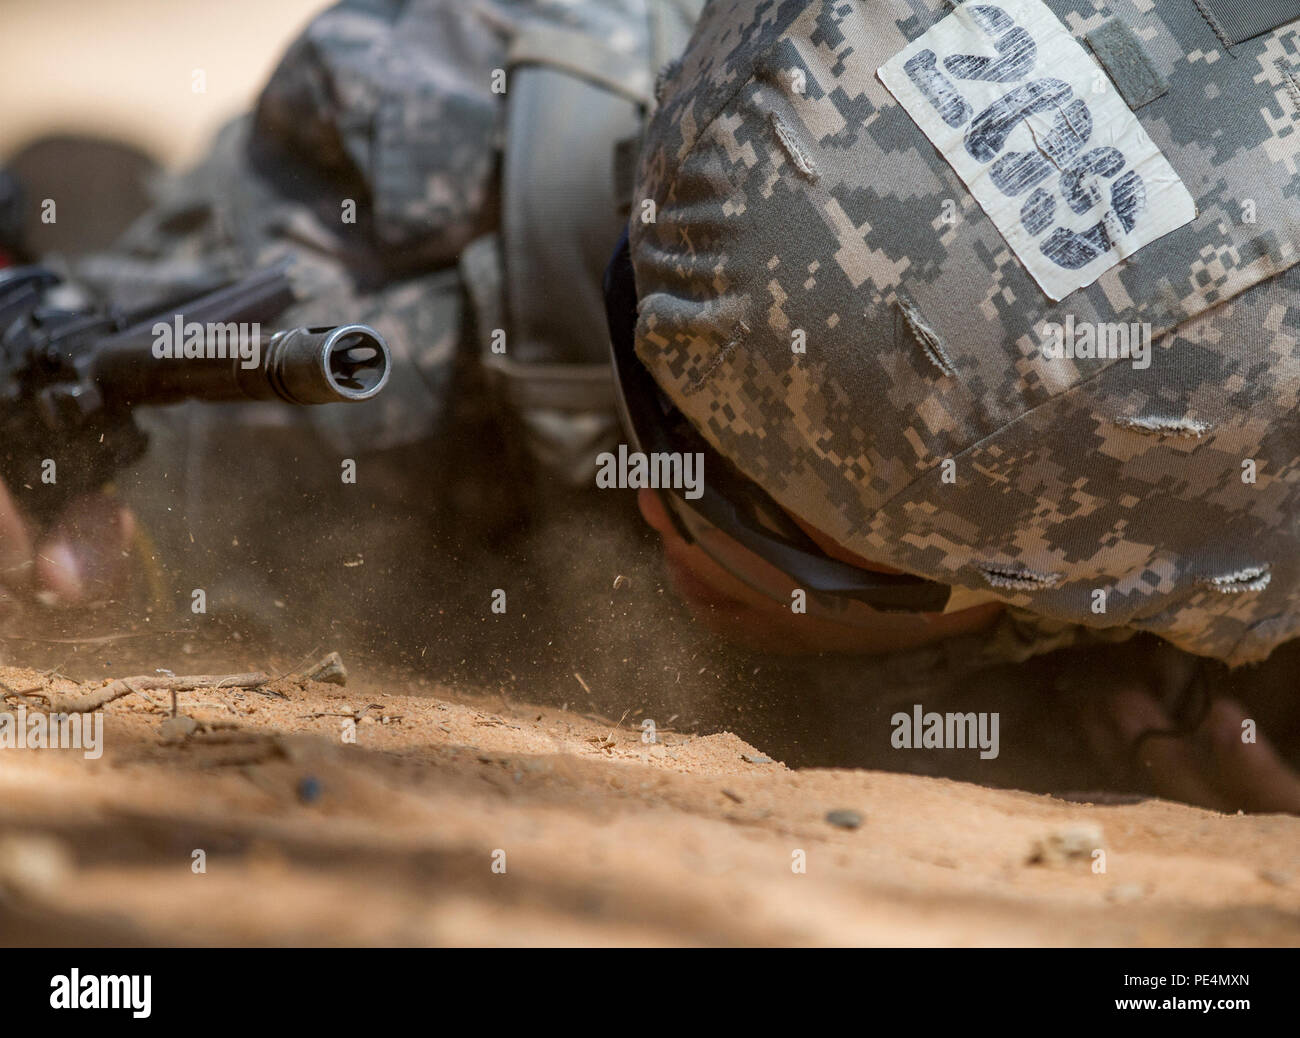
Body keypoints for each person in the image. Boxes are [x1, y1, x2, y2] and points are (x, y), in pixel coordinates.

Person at [3, 0, 1299, 812]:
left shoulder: (1244, 431)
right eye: (666, 413)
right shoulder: (592, 149)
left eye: (784, 531)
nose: (677, 511)